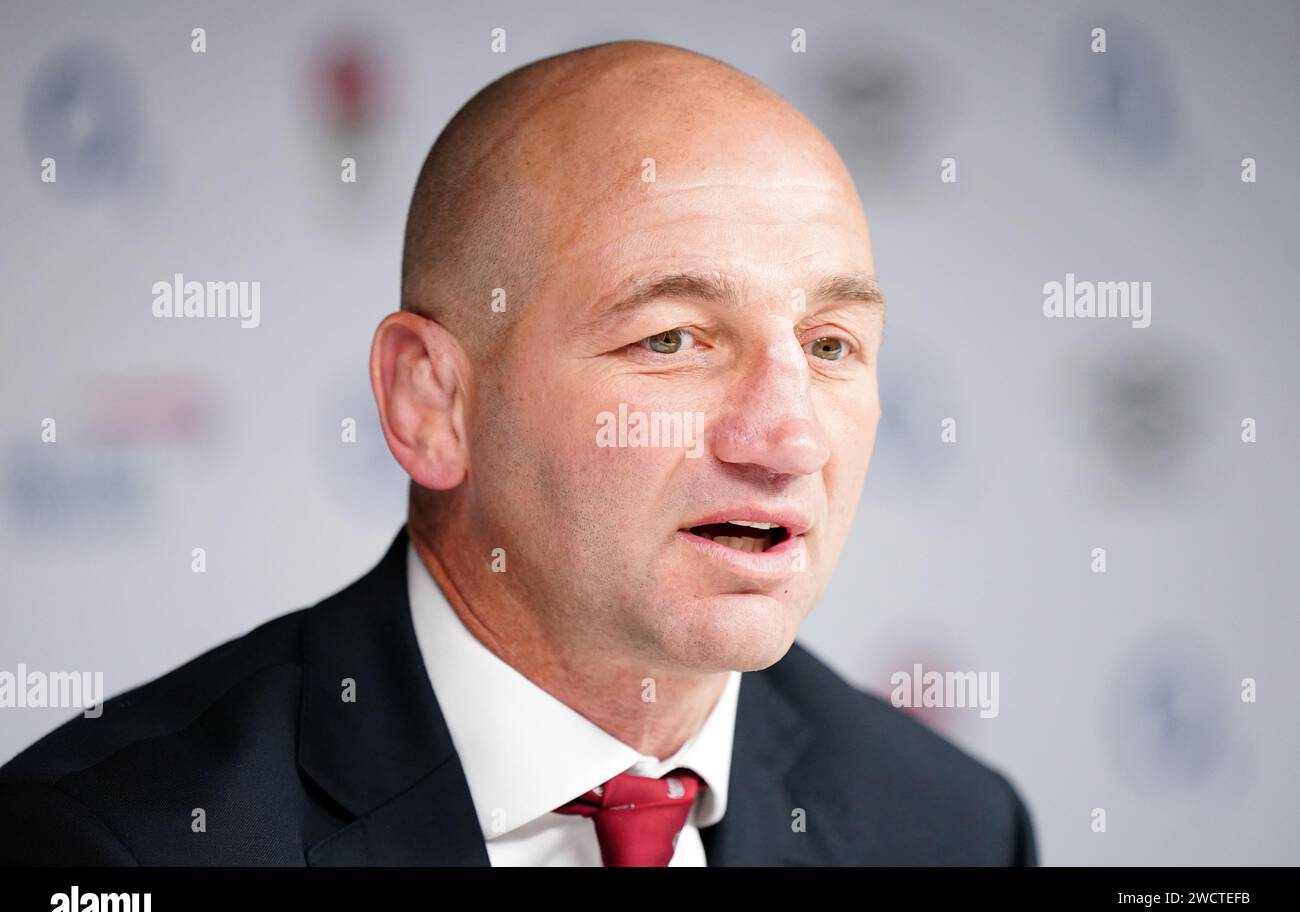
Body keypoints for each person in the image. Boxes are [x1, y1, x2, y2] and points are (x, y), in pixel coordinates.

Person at [0, 39, 1036, 866]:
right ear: (431, 402)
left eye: (829, 346)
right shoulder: (114, 847)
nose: (790, 435)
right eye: (670, 339)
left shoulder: (952, 826)